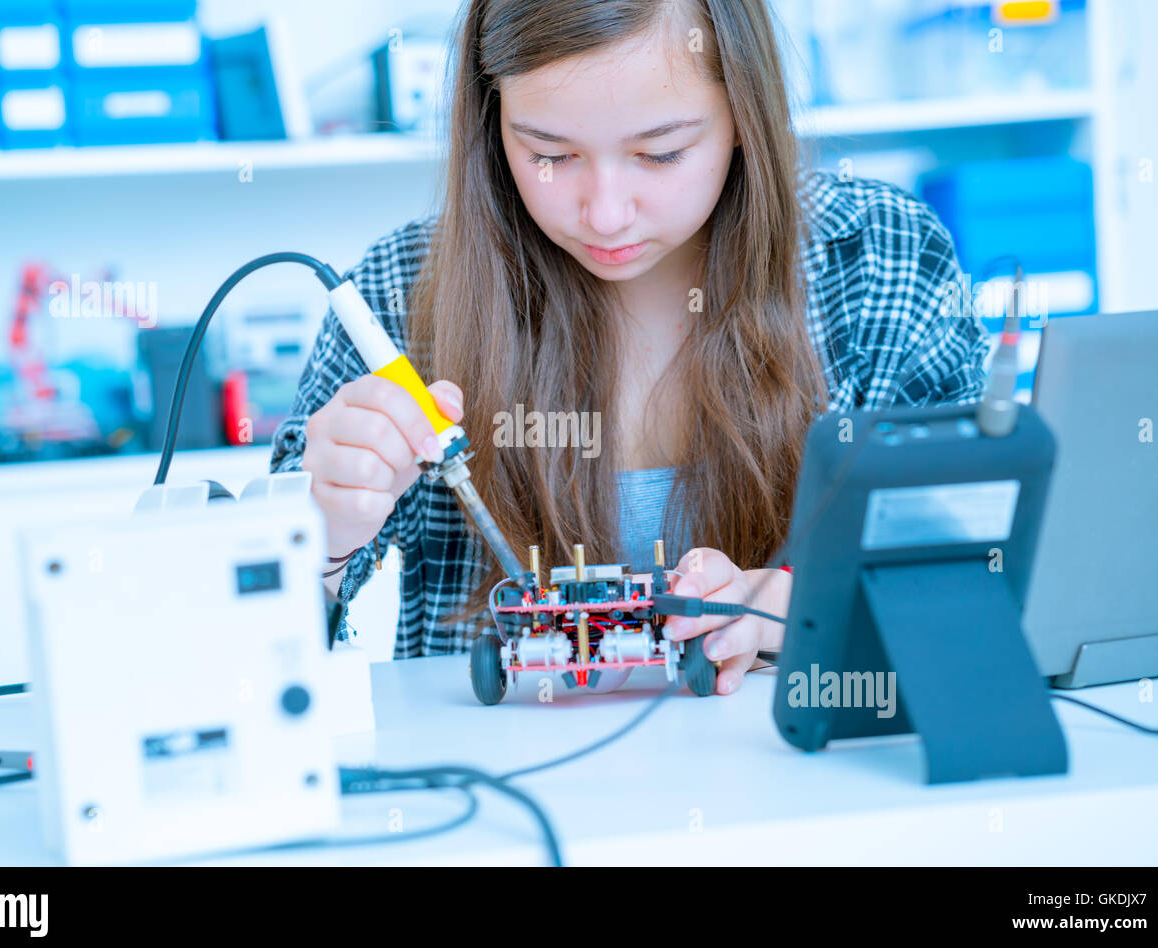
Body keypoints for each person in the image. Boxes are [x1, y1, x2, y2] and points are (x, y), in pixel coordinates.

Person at [271, 0, 989, 695]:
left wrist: (793, 604)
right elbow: (249, 649)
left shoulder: (879, 260)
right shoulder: (401, 295)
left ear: (745, 112)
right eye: (549, 153)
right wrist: (323, 539)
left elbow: (979, 583)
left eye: (660, 152)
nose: (606, 213)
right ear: (493, 124)